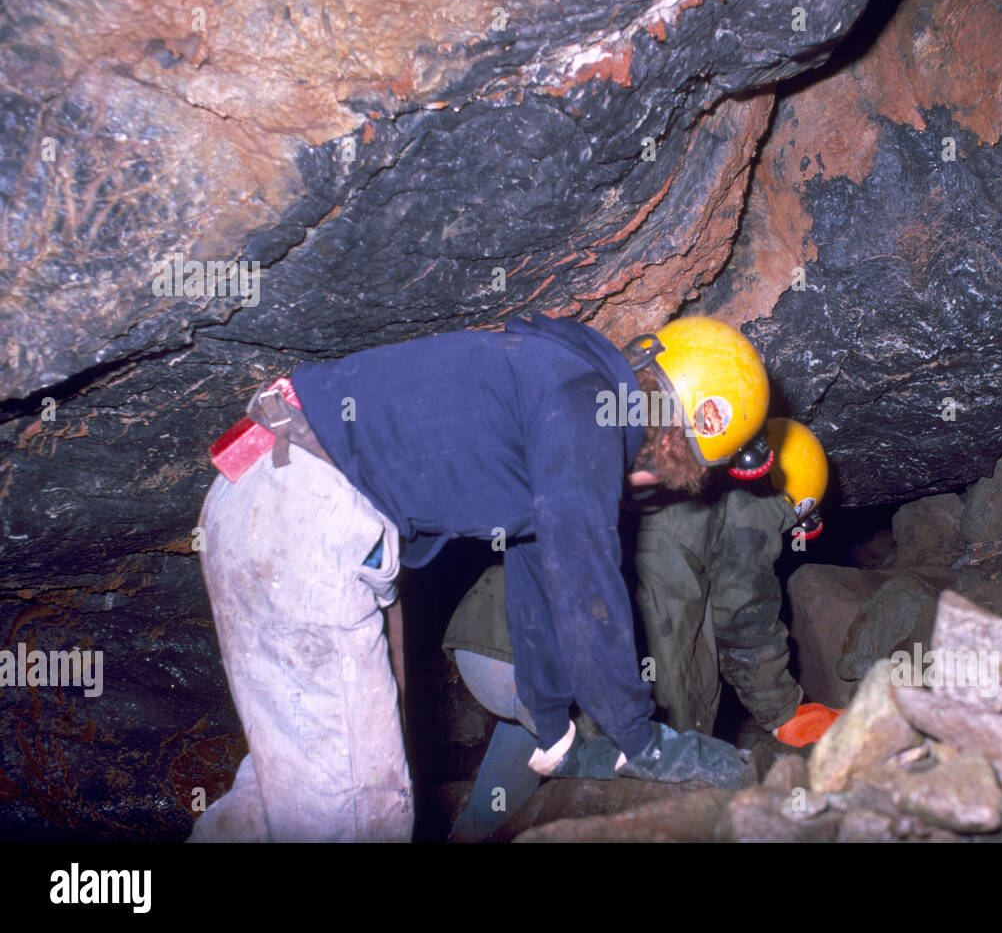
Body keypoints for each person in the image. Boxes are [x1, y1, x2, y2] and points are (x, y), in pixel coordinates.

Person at [188, 313, 768, 842]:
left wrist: (554, 737)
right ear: (672, 442)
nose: (642, 487)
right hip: (306, 513)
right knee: (358, 812)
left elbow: (544, 581)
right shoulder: (584, 401)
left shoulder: (553, 387)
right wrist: (640, 741)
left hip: (272, 491)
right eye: (669, 476)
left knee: (289, 793)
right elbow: (588, 582)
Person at [444, 417, 839, 841]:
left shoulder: (671, 460)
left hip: (490, 642)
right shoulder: (749, 505)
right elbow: (744, 615)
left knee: (538, 732)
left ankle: (474, 830)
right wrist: (783, 710)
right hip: (565, 665)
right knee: (660, 779)